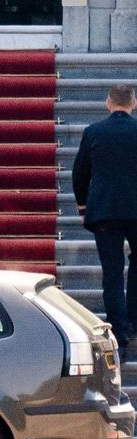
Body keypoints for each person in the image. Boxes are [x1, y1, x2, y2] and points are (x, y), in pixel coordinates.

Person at [72, 84, 137, 361]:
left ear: (108, 103)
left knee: (112, 272)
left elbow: (79, 173)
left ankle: (119, 334)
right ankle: (133, 320)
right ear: (133, 103)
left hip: (105, 211)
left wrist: (83, 206)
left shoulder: (93, 132)